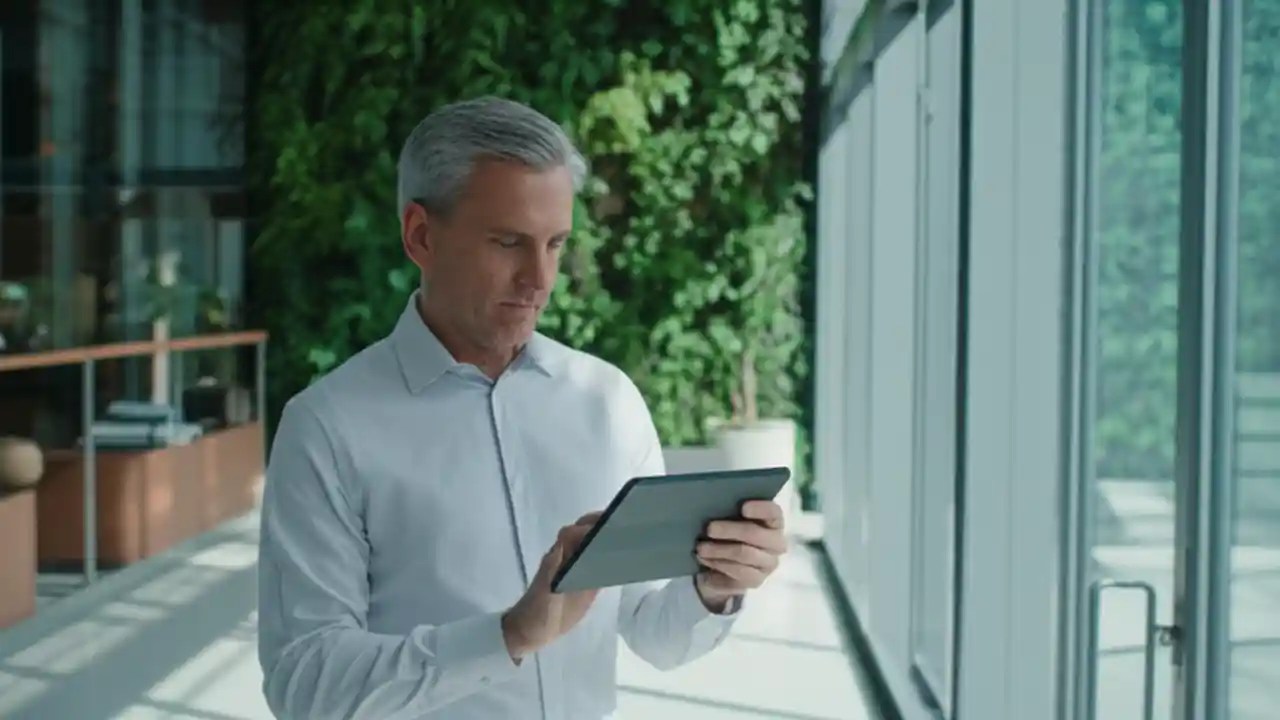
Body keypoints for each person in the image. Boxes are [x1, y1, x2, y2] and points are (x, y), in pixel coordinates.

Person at [256, 96, 789, 720]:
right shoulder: (326, 428)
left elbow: (654, 632)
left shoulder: (608, 402)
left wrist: (714, 587)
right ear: (420, 236)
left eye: (556, 243)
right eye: (508, 243)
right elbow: (307, 684)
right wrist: (508, 636)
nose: (539, 279)